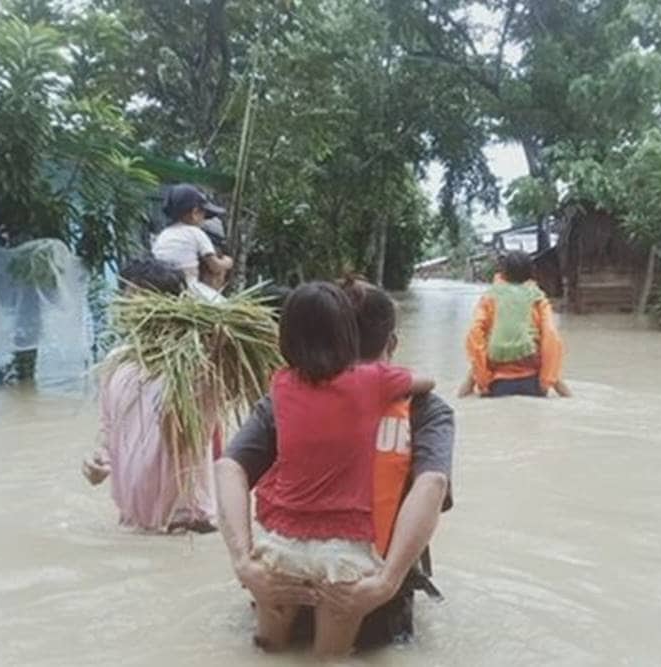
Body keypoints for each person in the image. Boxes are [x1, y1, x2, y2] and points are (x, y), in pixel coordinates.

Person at [217, 280, 454, 654]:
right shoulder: (426, 408)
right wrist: (387, 582)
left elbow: (229, 468)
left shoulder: (284, 391)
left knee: (266, 652)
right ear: (391, 343)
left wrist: (244, 563)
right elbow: (433, 485)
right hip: (365, 594)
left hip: (277, 580)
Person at [82, 259, 218, 534]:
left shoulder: (196, 366)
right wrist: (98, 462)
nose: (129, 311)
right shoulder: (116, 361)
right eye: (126, 300)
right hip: (132, 520)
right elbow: (108, 429)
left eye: (139, 302)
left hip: (186, 522)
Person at [459, 250, 571, 398]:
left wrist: (483, 380)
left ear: (503, 272)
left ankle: (459, 398)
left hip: (496, 381)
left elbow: (475, 335)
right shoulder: (538, 299)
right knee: (556, 377)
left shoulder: (489, 298)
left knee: (472, 373)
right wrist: (547, 380)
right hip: (532, 377)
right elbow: (551, 337)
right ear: (531, 273)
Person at [151, 184, 233, 297]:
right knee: (219, 302)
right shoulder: (196, 233)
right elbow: (214, 266)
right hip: (188, 285)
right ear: (195, 213)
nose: (204, 220)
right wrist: (227, 263)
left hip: (161, 286)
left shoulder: (163, 235)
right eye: (203, 215)